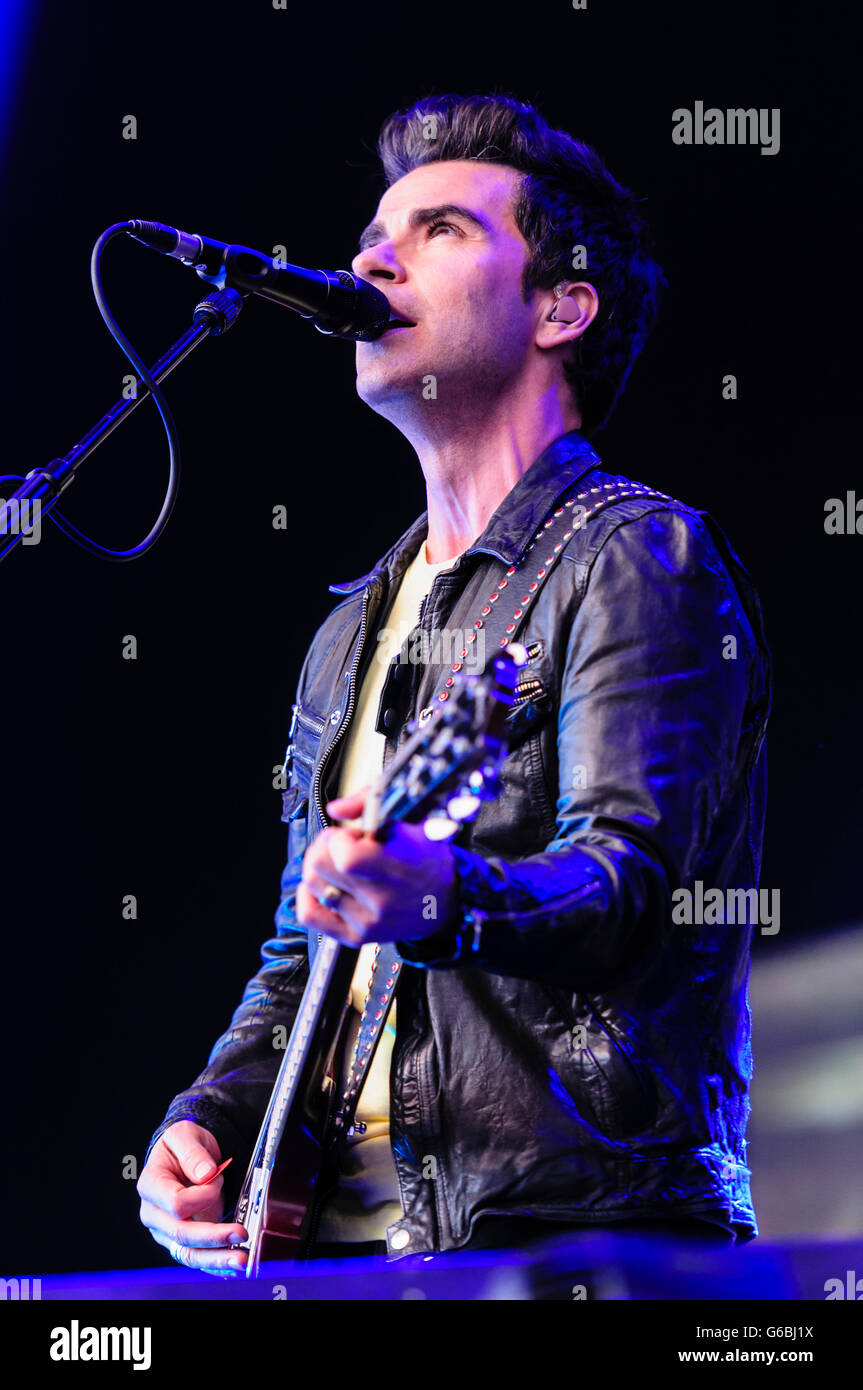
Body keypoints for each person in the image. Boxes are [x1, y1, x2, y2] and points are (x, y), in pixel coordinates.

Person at [137, 92, 771, 1276]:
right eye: (375, 232)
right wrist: (206, 1119)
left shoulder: (635, 555)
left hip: (565, 1243)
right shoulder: (350, 627)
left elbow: (635, 890)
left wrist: (443, 898)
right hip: (339, 1247)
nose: (371, 257)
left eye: (439, 229)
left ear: (559, 306)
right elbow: (302, 946)